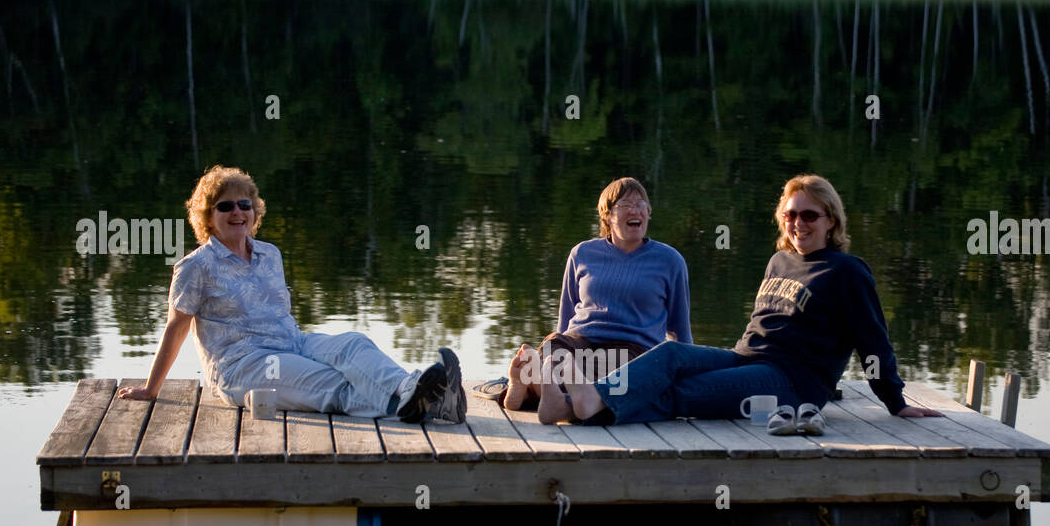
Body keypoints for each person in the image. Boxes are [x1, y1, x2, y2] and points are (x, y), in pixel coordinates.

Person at [559, 173, 942, 431]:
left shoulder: (846, 272)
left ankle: (590, 405)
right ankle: (591, 399)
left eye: (809, 215)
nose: (798, 223)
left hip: (793, 382)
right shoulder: (780, 260)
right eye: (790, 215)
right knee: (671, 357)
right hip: (747, 358)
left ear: (831, 221)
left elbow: (874, 343)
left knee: (684, 393)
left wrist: (895, 401)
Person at [117, 165, 465, 423]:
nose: (237, 212)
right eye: (225, 207)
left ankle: (412, 390)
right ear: (208, 217)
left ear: (254, 211)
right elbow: (176, 328)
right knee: (331, 382)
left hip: (292, 342)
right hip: (241, 365)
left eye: (244, 204)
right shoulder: (196, 266)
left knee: (352, 344)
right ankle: (408, 409)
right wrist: (150, 389)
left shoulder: (270, 254)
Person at [493, 177, 691, 423]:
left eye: (641, 204)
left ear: (648, 214)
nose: (636, 210)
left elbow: (680, 329)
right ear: (607, 215)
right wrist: (555, 349)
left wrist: (686, 372)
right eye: (626, 204)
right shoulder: (582, 253)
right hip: (581, 340)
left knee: (606, 379)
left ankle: (532, 385)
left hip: (632, 350)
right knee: (556, 348)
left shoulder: (670, 261)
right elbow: (565, 320)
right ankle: (539, 386)